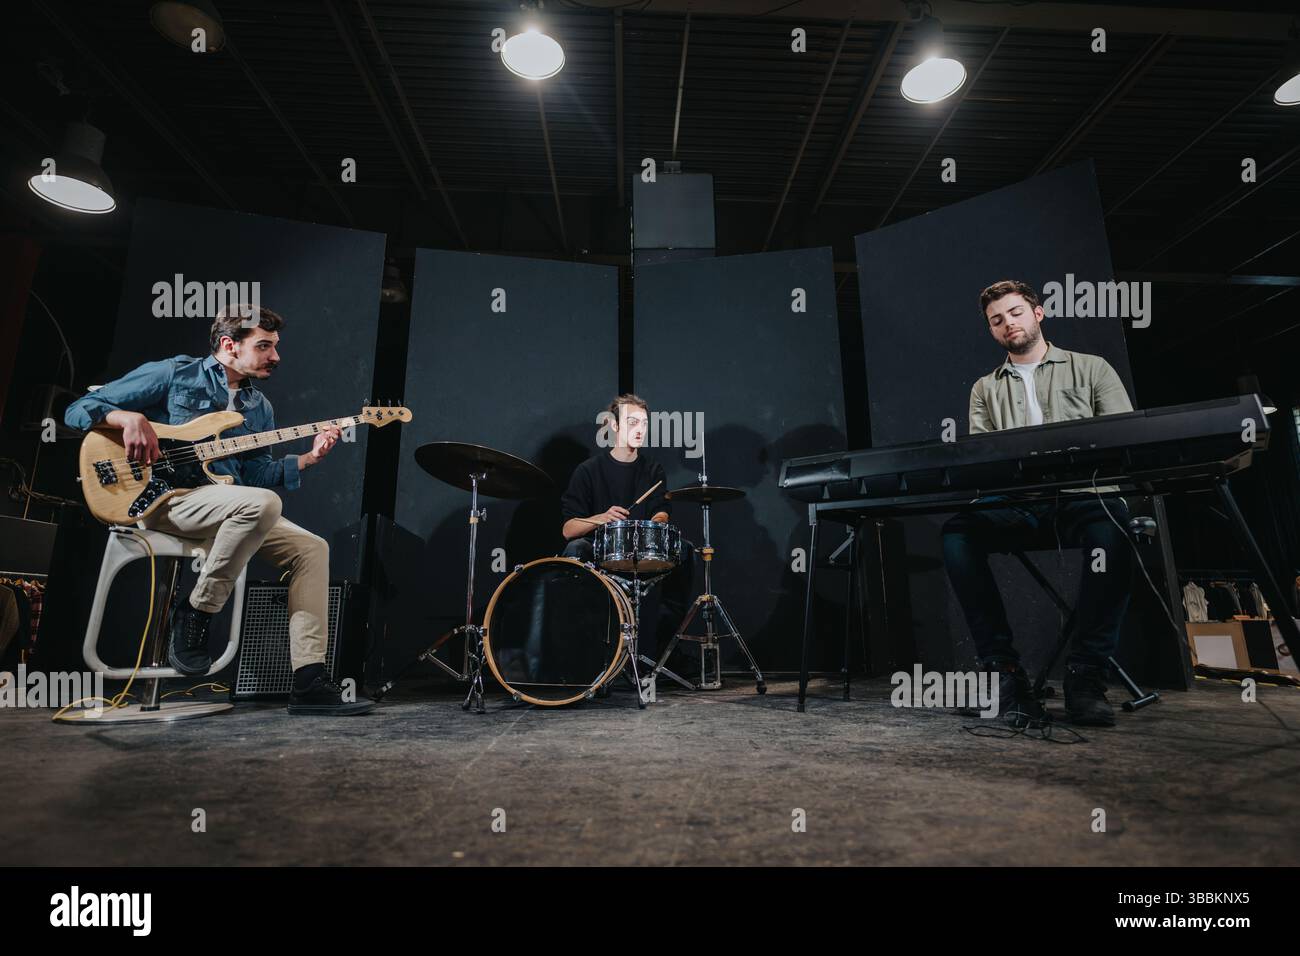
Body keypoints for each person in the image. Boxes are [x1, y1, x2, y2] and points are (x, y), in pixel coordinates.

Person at [65, 305, 372, 716]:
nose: (275, 357)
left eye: (275, 347)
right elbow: (78, 409)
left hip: (228, 507)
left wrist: (308, 459)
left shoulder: (258, 407)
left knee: (311, 549)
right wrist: (128, 417)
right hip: (164, 500)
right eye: (263, 346)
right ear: (229, 345)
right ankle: (199, 609)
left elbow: (256, 474)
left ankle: (308, 681)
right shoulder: (176, 373)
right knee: (261, 504)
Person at [941, 280, 1134, 728]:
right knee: (958, 532)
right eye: (997, 320)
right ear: (991, 331)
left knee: (1115, 529)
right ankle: (1006, 674)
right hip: (1019, 504)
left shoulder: (1092, 368)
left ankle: (1086, 677)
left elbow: (1122, 438)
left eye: (1015, 313)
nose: (1008, 323)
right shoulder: (984, 389)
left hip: (1085, 499)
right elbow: (988, 460)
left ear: (1038, 313)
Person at [560, 393, 694, 682]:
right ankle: (583, 653)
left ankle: (664, 648)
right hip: (600, 552)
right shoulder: (588, 471)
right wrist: (602, 518)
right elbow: (569, 528)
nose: (640, 429)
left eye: (644, 423)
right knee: (574, 547)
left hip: (643, 549)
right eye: (632, 422)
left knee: (685, 550)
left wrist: (653, 523)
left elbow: (661, 513)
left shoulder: (652, 470)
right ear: (614, 426)